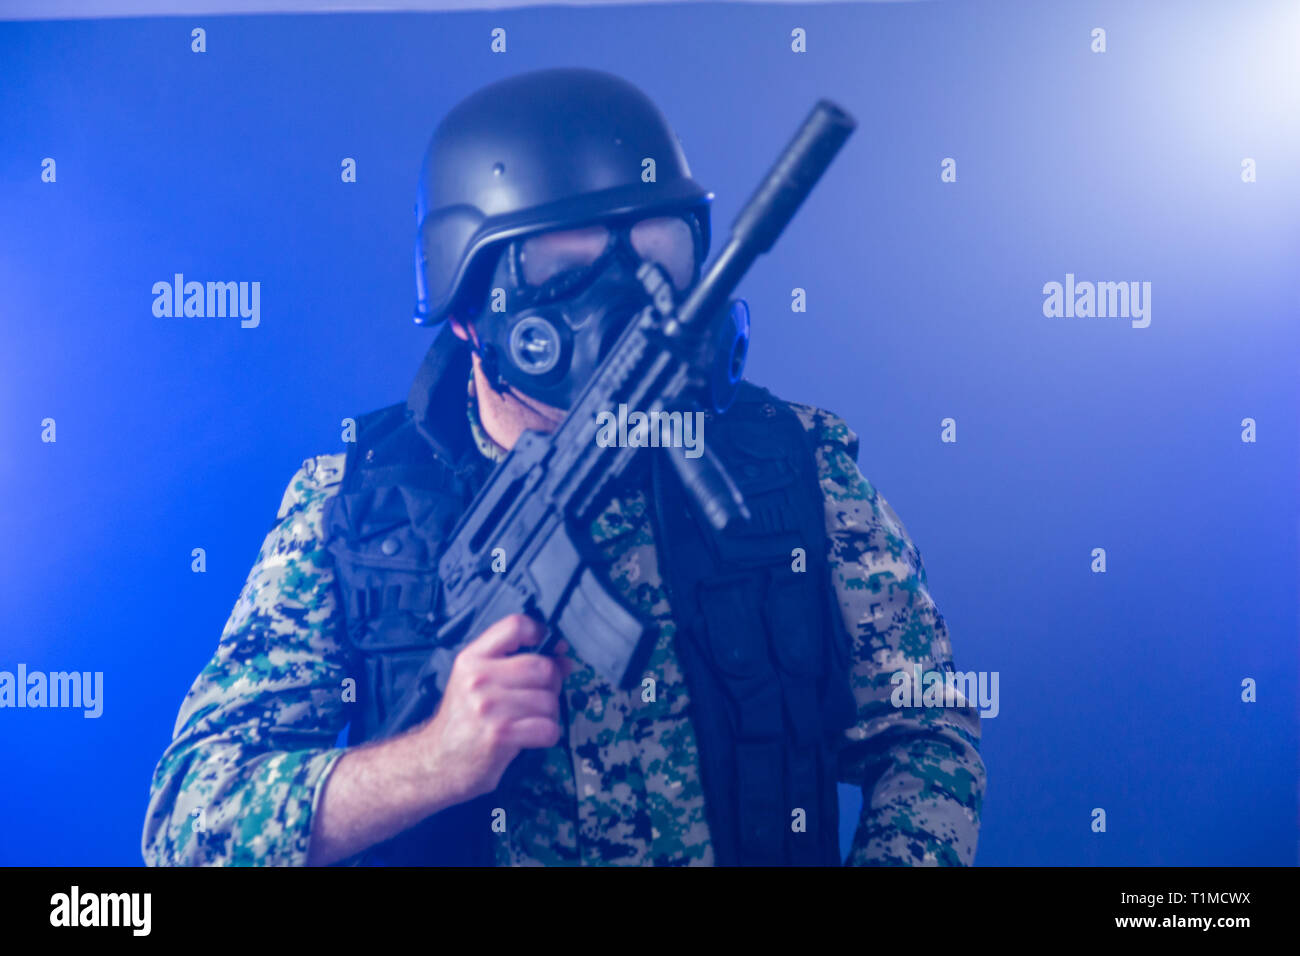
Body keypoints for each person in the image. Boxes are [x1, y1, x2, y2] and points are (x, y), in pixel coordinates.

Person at [142, 67, 986, 867]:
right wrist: (432, 761)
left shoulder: (795, 467)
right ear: (469, 311)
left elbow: (927, 736)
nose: (623, 310)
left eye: (657, 260)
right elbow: (188, 826)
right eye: (565, 273)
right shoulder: (351, 510)